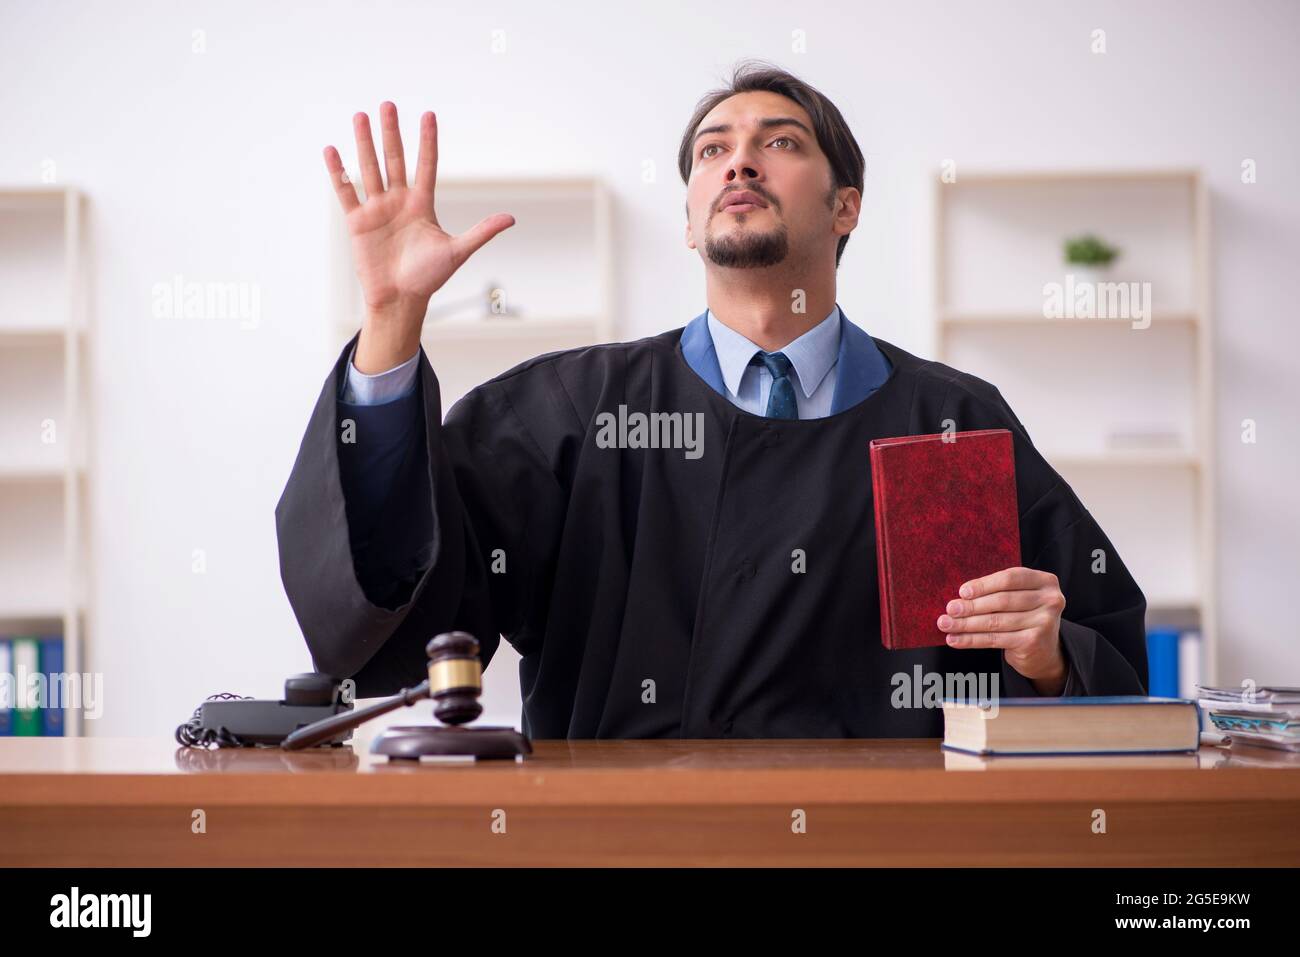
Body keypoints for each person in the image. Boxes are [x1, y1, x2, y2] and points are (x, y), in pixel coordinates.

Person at [276, 61, 1148, 739]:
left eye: (781, 142)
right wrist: (390, 326)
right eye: (712, 150)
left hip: (890, 850)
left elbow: (1104, 667)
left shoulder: (951, 426)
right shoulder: (568, 416)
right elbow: (401, 613)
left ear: (846, 207)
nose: (739, 159)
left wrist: (1049, 659)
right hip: (626, 852)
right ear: (691, 221)